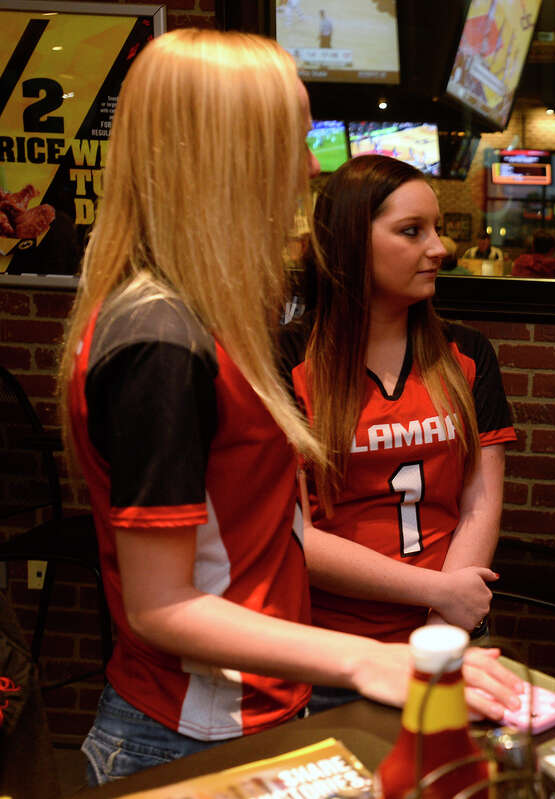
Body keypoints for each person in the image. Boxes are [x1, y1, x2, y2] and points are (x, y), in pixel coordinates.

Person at [56, 30, 519, 784]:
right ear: (225, 151)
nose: (310, 166)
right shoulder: (161, 338)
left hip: (261, 707)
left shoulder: (216, 316)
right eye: (294, 139)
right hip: (190, 730)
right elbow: (161, 605)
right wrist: (373, 659)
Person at [281, 155, 518, 711]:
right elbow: (293, 534)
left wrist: (443, 624)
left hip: (450, 630)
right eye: (412, 232)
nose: (440, 248)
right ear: (347, 243)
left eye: (436, 229)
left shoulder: (467, 353)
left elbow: (481, 499)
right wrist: (437, 592)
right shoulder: (287, 358)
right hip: (329, 650)